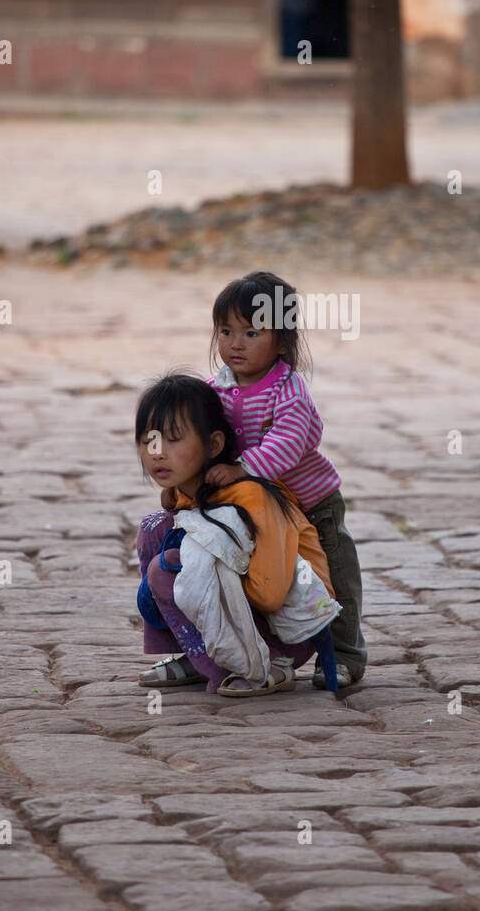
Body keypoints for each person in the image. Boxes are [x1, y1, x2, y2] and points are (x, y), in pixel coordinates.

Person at [197, 270, 367, 689]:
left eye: (252, 332)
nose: (235, 343)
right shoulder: (215, 390)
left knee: (335, 575)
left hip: (313, 503)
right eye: (226, 330)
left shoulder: (287, 390)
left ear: (283, 341)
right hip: (257, 508)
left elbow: (288, 443)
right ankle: (242, 650)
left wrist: (242, 469)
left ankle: (345, 654)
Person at [135, 374, 339, 698]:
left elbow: (270, 594)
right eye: (149, 440)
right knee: (154, 528)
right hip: (247, 616)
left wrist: (211, 579)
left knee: (167, 569)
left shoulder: (249, 495)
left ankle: (255, 665)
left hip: (291, 627)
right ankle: (194, 653)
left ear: (214, 444)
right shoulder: (187, 492)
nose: (158, 453)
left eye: (174, 439)